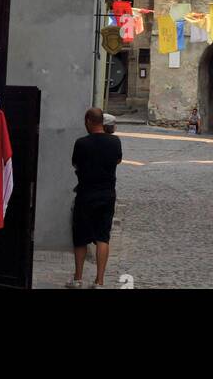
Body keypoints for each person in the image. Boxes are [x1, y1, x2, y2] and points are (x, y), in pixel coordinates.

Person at [67, 107, 123, 289]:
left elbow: (75, 163)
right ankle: (99, 281)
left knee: (80, 237)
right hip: (107, 195)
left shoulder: (81, 143)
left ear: (89, 121)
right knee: (103, 237)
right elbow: (117, 161)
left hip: (85, 194)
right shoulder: (115, 142)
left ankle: (78, 278)